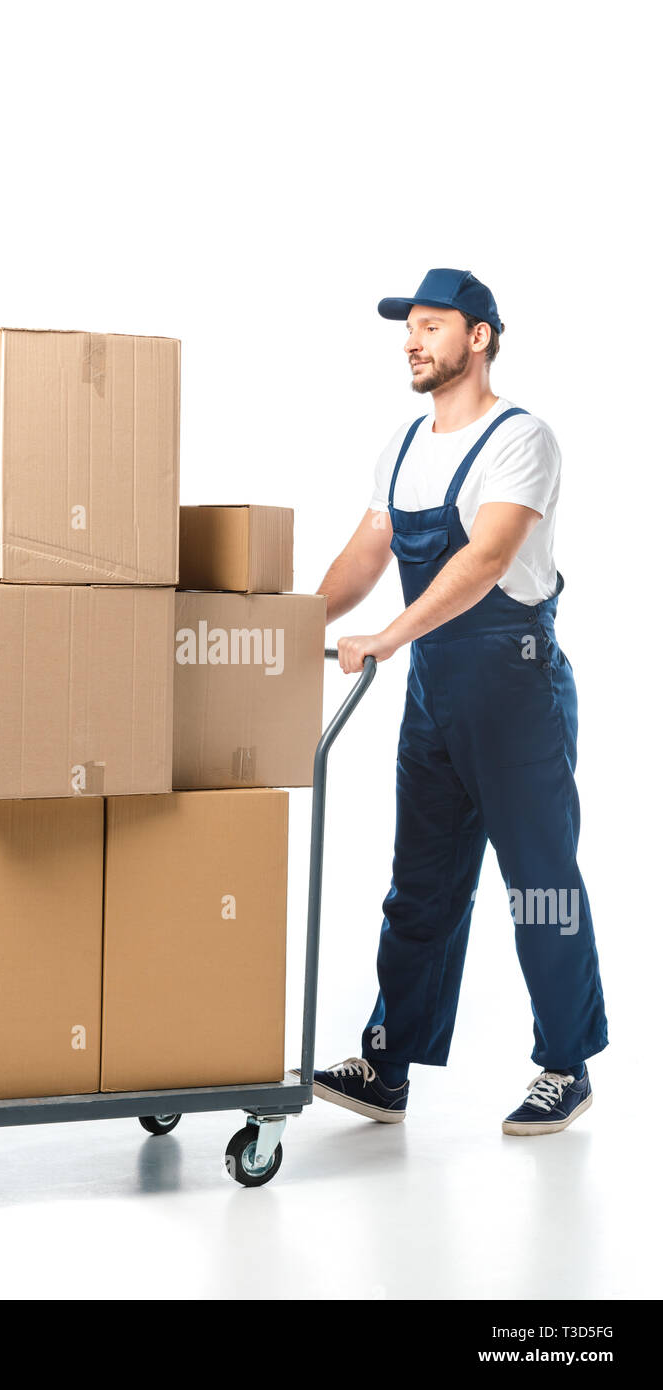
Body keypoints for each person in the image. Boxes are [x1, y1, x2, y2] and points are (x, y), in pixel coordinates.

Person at [314, 268, 607, 1136]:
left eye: (431, 326)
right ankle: (387, 1064)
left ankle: (564, 1065)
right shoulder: (401, 447)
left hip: (515, 688)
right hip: (435, 696)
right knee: (421, 889)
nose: (411, 340)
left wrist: (384, 639)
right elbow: (364, 559)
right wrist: (291, 624)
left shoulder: (523, 439)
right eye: (407, 327)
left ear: (477, 336)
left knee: (539, 888)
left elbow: (483, 562)